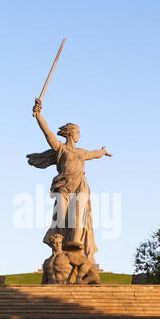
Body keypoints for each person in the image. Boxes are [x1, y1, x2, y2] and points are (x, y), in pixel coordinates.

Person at [26, 98, 111, 263]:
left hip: (80, 185)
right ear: (70, 133)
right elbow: (48, 133)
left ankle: (75, 243)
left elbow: (95, 153)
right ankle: (61, 248)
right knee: (62, 217)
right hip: (64, 186)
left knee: (78, 213)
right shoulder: (61, 148)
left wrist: (103, 151)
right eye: (78, 132)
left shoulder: (82, 152)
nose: (80, 135)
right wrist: (39, 116)